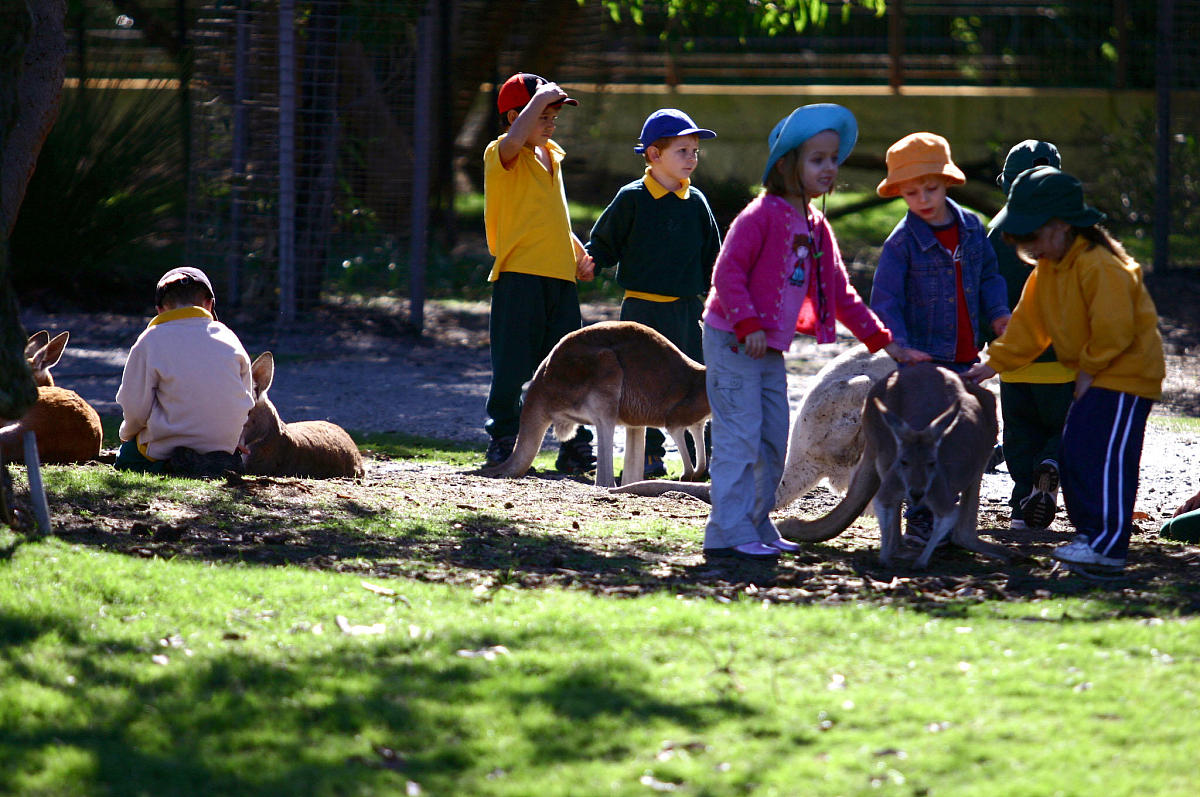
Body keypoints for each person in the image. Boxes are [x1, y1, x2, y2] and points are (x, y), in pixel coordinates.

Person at [700, 104, 907, 560]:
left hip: (768, 349)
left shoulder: (815, 225)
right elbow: (727, 272)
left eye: (834, 159)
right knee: (740, 436)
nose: (829, 168)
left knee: (775, 436)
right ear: (787, 164)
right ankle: (725, 532)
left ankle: (756, 520)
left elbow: (839, 288)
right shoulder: (762, 215)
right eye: (817, 159)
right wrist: (749, 323)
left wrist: (883, 341)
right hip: (734, 339)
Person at [966, 166, 1165, 573]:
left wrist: (1088, 370)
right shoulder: (1049, 270)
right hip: (1097, 376)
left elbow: (1115, 329)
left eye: (1032, 237)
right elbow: (1028, 327)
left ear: (1060, 227)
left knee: (1107, 457)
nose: (1028, 248)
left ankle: (1107, 546)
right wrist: (991, 365)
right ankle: (1091, 537)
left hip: (1126, 377)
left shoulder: (1099, 265)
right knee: (1076, 453)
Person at [870, 132, 1011, 544]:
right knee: (920, 437)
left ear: (947, 182)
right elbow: (887, 299)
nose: (922, 199)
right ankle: (920, 516)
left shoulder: (971, 227)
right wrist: (898, 343)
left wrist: (999, 313)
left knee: (966, 429)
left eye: (930, 189)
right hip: (924, 358)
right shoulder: (902, 243)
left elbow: (989, 277)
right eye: (910, 193)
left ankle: (954, 512)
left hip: (966, 352)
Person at [585, 108, 722, 477]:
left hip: (687, 311)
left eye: (695, 151)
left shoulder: (698, 203)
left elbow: (715, 255)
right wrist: (591, 260)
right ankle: (648, 457)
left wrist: (722, 294)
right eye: (683, 150)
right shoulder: (631, 198)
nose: (692, 158)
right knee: (643, 385)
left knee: (697, 383)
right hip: (641, 313)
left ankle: (707, 459)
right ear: (654, 154)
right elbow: (604, 243)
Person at [482, 73, 596, 474]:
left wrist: (577, 250)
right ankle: (504, 437)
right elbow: (513, 140)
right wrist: (537, 101)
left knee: (570, 361)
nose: (552, 121)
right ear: (516, 115)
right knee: (513, 364)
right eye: (545, 113)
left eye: (554, 114)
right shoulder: (503, 152)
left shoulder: (553, 155)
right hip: (519, 276)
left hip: (559, 277)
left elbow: (552, 217)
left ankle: (576, 444)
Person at [988, 140, 1076, 531]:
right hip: (1062, 361)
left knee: (1019, 433)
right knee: (1062, 428)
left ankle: (1021, 504)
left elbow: (981, 291)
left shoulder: (997, 232)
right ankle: (1053, 463)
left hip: (1014, 361)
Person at [115, 267, 254, 474]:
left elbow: (135, 406)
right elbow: (246, 397)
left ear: (160, 309)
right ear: (209, 304)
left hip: (166, 445)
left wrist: (127, 434)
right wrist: (233, 436)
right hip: (221, 446)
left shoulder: (150, 340)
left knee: (126, 458)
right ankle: (215, 463)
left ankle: (171, 466)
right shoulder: (230, 338)